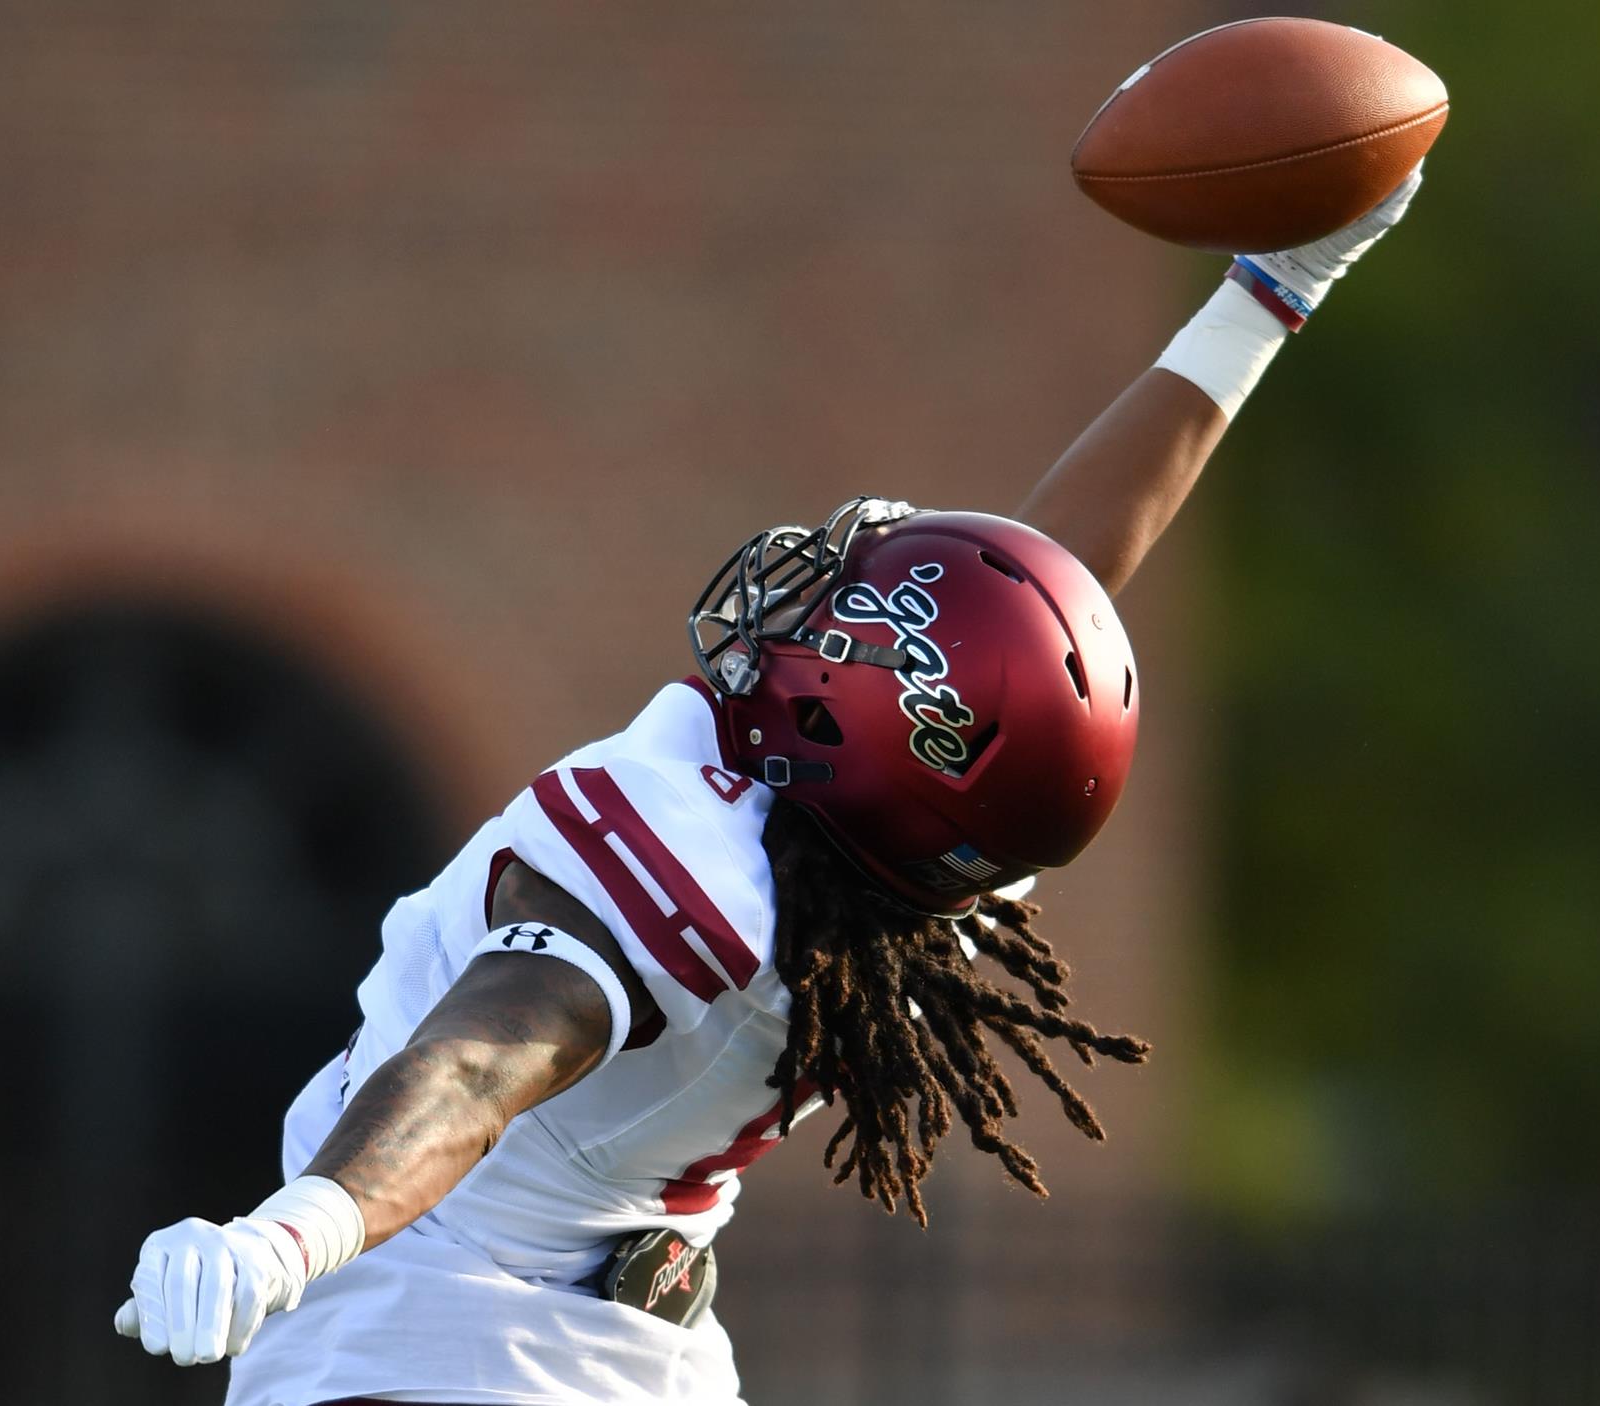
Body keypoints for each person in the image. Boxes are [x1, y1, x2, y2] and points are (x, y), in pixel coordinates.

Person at [113, 171, 1424, 1405]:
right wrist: (1270, 295)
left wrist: (295, 1229)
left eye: (845, 616)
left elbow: (483, 1054)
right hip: (631, 1348)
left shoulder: (699, 854)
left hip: (436, 1340)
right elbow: (1050, 605)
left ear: (840, 711)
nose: (810, 595)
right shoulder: (917, 840)